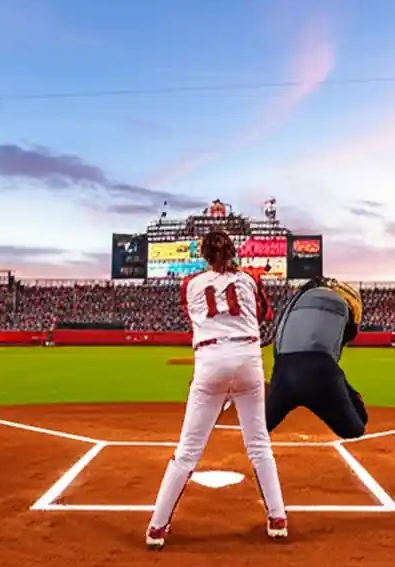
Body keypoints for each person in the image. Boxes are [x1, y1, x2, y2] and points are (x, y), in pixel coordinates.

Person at [145, 229, 288, 550]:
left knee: (187, 451)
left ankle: (157, 527)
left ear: (204, 255)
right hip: (248, 358)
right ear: (233, 252)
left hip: (210, 360)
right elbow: (264, 314)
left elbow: (195, 316)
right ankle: (278, 518)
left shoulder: (190, 283)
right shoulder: (250, 280)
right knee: (259, 445)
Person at [266, 277, 368, 439]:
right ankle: (353, 400)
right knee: (355, 429)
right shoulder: (341, 306)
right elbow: (338, 348)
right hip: (320, 373)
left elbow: (279, 338)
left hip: (284, 370)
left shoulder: (297, 301)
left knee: (260, 427)